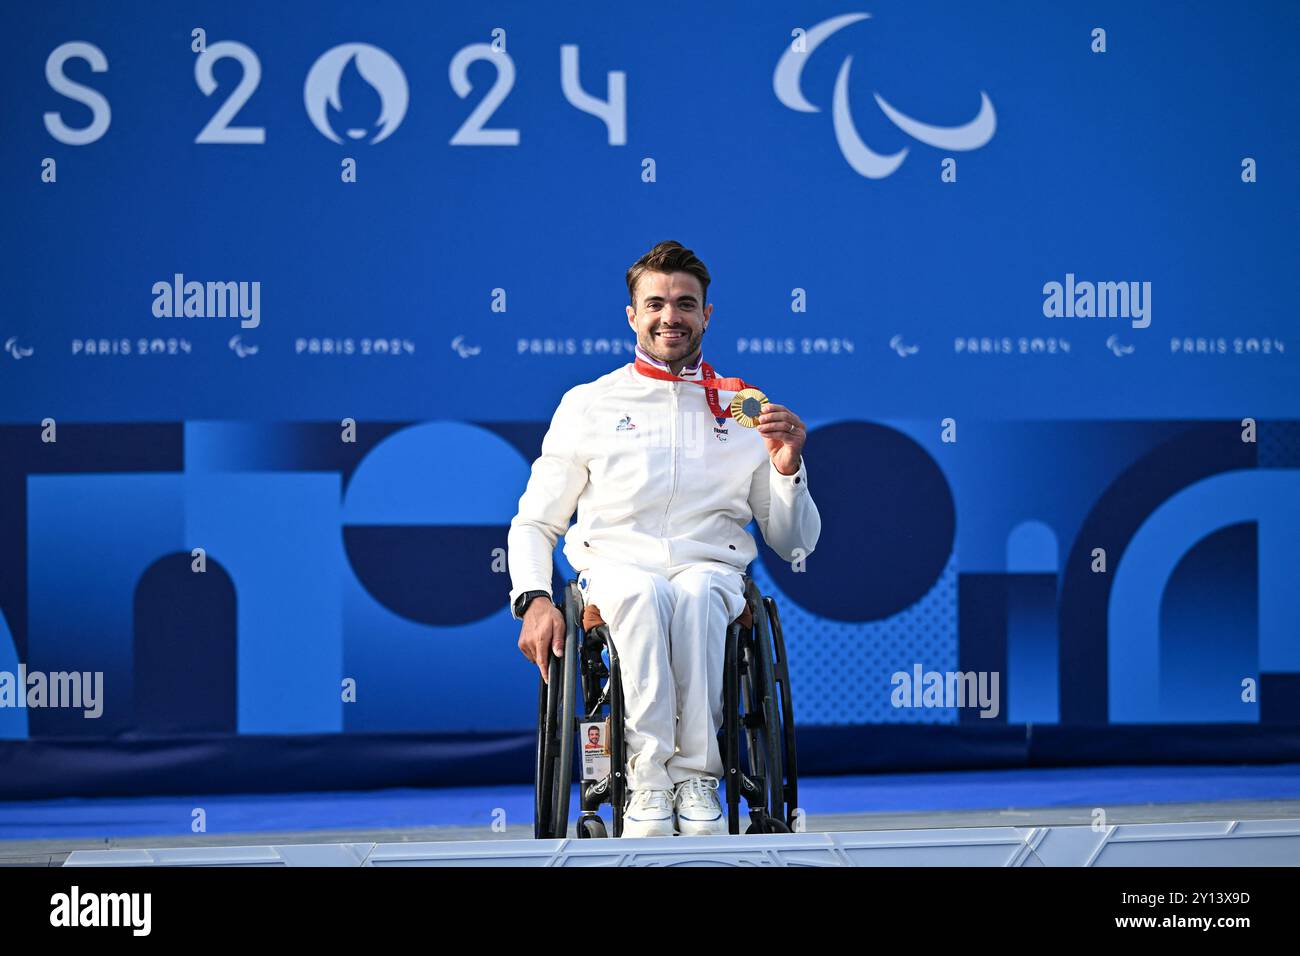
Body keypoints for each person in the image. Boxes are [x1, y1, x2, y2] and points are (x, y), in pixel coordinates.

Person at [508, 240, 821, 837]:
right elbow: (535, 522)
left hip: (712, 571)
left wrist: (787, 468)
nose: (669, 316)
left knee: (698, 593)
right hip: (616, 572)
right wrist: (534, 598)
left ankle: (698, 779)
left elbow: (794, 543)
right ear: (633, 315)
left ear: (707, 314)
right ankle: (648, 781)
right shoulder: (589, 404)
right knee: (642, 593)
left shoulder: (745, 409)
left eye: (685, 304)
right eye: (655, 304)